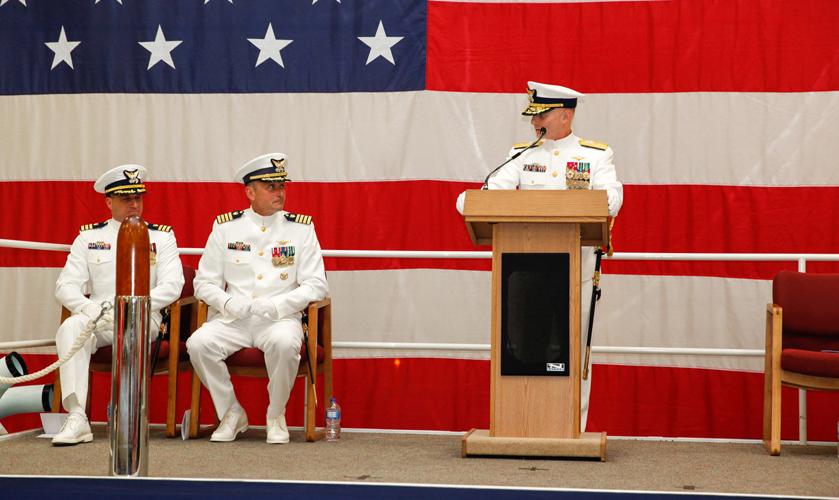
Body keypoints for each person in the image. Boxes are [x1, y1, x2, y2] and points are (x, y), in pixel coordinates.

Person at [456, 81, 623, 431]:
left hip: (575, 270)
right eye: (533, 116)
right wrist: (473, 200)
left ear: (565, 114)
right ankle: (521, 425)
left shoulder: (595, 154)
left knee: (571, 350)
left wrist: (563, 208)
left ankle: (571, 429)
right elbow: (482, 197)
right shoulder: (522, 154)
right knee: (523, 346)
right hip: (525, 271)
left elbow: (610, 200)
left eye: (542, 114)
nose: (535, 123)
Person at [187, 153, 328, 444]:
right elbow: (203, 283)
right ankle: (231, 413)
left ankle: (276, 414)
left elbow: (316, 285)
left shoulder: (300, 228)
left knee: (285, 343)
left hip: (278, 318)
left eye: (282, 187)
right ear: (250, 192)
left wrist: (279, 305)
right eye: (271, 187)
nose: (280, 193)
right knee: (198, 344)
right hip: (234, 318)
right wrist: (228, 303)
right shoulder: (226, 227)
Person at [52, 164, 185, 445]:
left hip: (143, 316)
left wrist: (135, 306)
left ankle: (126, 411)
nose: (134, 204)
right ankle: (77, 416)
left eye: (138, 198)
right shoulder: (89, 238)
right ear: (109, 202)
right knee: (70, 328)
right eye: (126, 199)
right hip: (100, 316)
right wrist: (88, 309)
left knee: (131, 331)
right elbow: (65, 286)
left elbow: (173, 285)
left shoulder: (161, 237)